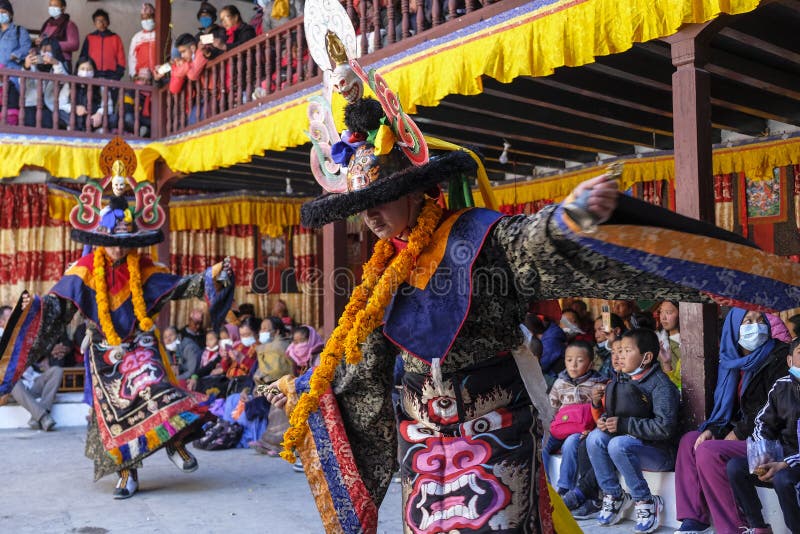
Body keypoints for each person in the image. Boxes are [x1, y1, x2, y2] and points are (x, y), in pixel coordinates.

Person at [257, 11, 800, 532]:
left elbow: (533, 241)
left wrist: (571, 219)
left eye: (383, 198)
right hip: (420, 447)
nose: (371, 215)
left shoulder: (478, 236)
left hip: (495, 433)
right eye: (363, 206)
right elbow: (359, 365)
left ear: (419, 189)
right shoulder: (381, 276)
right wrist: (307, 387)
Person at [0, 138, 235, 499]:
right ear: (97, 239)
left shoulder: (144, 268)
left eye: (124, 243)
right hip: (103, 349)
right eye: (110, 242)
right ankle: (128, 474)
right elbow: (58, 309)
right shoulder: (83, 271)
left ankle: (174, 444)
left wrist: (211, 275)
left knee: (158, 388)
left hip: (140, 342)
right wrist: (34, 306)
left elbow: (179, 287)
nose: (117, 249)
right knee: (114, 413)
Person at [674, 308, 789, 534]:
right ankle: (694, 519)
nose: (756, 326)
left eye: (760, 320)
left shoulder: (778, 357)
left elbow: (771, 406)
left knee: (709, 451)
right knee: (690, 440)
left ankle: (736, 526)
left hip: (770, 438)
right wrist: (716, 430)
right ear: (733, 328)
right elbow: (730, 410)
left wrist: (737, 432)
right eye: (748, 321)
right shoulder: (731, 362)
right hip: (745, 433)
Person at [586, 328, 680, 533]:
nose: (620, 356)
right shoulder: (623, 379)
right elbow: (620, 414)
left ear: (646, 357)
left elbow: (664, 428)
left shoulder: (661, 386)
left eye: (627, 350)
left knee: (618, 444)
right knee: (594, 438)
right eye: (619, 351)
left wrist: (623, 425)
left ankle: (645, 501)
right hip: (630, 445)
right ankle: (614, 495)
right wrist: (605, 421)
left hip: (660, 453)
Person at [726, 337, 800, 534]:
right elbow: (762, 422)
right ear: (790, 361)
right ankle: (758, 526)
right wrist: (764, 454)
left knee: (783, 479)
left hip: (793, 462)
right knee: (736, 467)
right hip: (782, 458)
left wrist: (785, 463)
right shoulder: (781, 387)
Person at [542, 340, 603, 497]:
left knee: (570, 444)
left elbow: (601, 410)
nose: (573, 365)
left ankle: (564, 487)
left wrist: (592, 430)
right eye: (569, 360)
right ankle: (544, 484)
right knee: (541, 445)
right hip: (559, 428)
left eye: (580, 360)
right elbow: (551, 409)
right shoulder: (559, 383)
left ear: (590, 363)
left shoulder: (597, 384)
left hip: (580, 431)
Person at [58, 57, 116, 132]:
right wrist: (74, 108)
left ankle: (95, 130)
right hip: (74, 119)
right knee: (58, 113)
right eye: (82, 69)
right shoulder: (69, 84)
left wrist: (99, 113)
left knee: (113, 118)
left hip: (93, 120)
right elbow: (61, 104)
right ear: (77, 70)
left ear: (94, 71)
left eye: (89, 69)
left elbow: (109, 107)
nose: (85, 72)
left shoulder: (100, 86)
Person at [23, 38, 70, 129]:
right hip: (31, 104)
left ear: (55, 52)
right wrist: (26, 67)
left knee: (47, 126)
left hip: (49, 106)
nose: (44, 54)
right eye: (43, 50)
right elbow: (23, 84)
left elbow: (64, 81)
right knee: (29, 127)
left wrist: (55, 63)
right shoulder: (33, 63)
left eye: (48, 51)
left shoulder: (59, 64)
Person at [11, 353, 63, 431]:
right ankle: (43, 417)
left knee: (57, 370)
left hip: (33, 383)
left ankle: (36, 418)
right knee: (12, 381)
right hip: (16, 391)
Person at [79, 9, 125, 81]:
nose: (101, 23)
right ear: (94, 23)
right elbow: (83, 56)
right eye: (98, 21)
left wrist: (118, 74)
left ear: (108, 22)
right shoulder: (90, 37)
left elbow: (121, 58)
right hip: (93, 73)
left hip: (111, 75)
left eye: (104, 20)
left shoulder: (115, 38)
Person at [253, 316, 292, 386]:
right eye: (261, 329)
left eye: (264, 329)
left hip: (279, 389)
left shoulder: (281, 346)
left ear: (276, 332)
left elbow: (275, 375)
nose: (261, 332)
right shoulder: (264, 348)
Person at [38, 0, 78, 65]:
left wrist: (53, 46)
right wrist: (40, 42)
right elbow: (44, 39)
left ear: (63, 8)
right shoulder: (48, 24)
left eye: (55, 5)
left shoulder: (69, 24)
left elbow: (74, 44)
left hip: (61, 61)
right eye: (50, 5)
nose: (52, 8)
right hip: (45, 61)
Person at [655, 300, 681, 388]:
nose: (663, 317)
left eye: (668, 312)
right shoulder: (658, 342)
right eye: (661, 312)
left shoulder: (693, 340)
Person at [0, 0, 31, 72]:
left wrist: (14, 55)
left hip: (13, 72)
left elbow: (26, 48)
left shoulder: (20, 31)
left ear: (11, 14)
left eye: (3, 12)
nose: (0, 14)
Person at [593, 312, 624, 379]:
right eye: (595, 330)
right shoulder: (594, 349)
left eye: (600, 329)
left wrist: (612, 342)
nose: (596, 334)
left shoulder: (625, 348)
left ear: (617, 331)